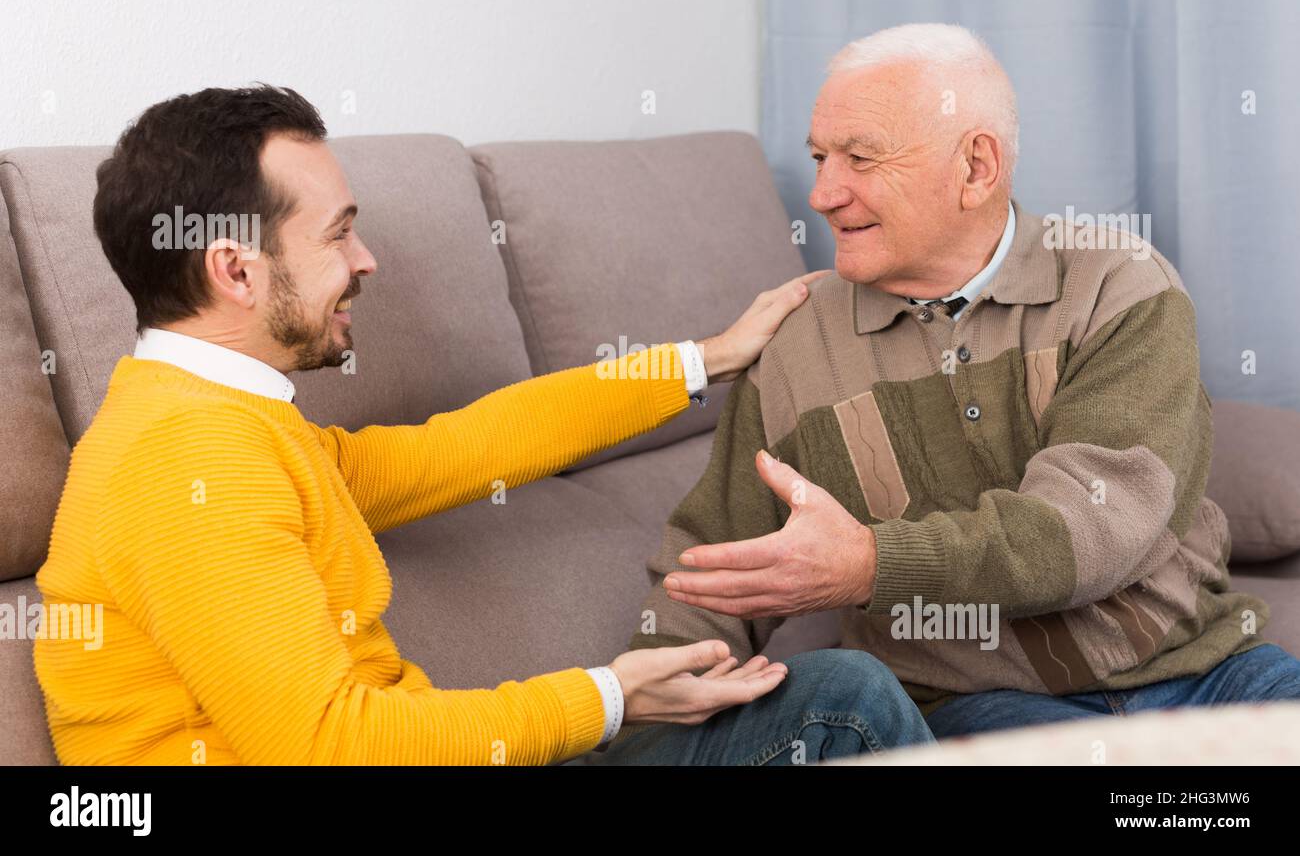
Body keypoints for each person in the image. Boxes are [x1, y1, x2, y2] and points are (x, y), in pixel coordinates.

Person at [34, 84, 934, 766]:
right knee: (840, 702)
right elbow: (327, 743)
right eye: (339, 234)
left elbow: (467, 447)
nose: (366, 260)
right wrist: (607, 696)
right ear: (236, 271)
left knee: (839, 692)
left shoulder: (225, 423)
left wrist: (709, 357)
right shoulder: (187, 460)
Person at [612, 23, 1300, 754]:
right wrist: (643, 699)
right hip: (978, 706)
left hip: (1201, 676)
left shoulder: (1118, 285)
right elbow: (716, 557)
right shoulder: (795, 348)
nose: (820, 193)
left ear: (976, 167)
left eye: (860, 158)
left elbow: (1089, 530)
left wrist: (870, 565)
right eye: (818, 157)